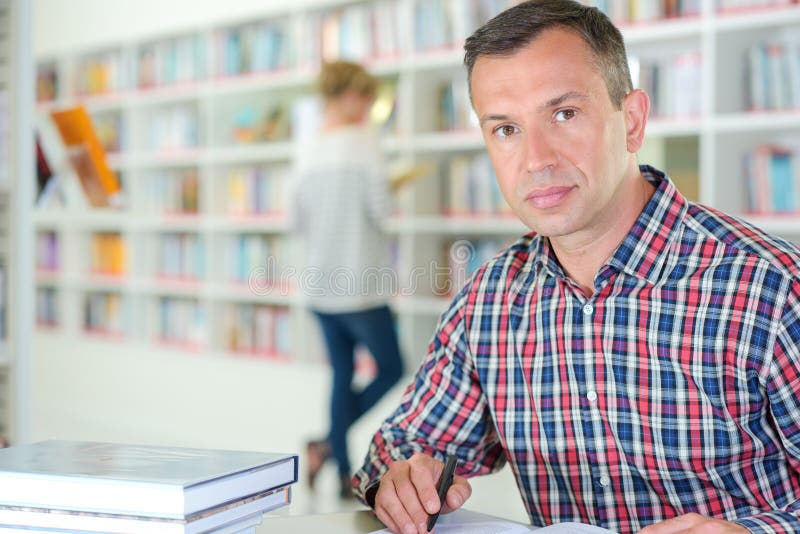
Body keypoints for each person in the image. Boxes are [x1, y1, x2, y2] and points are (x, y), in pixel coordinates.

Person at [351, 1, 800, 533]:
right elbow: (400, 449)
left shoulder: (770, 289)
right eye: (506, 129)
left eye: (564, 114)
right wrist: (402, 479)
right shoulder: (491, 300)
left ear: (631, 122)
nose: (536, 158)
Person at [289, 60, 404, 499]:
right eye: (367, 99)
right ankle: (327, 445)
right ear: (352, 96)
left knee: (340, 373)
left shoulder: (307, 148)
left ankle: (336, 460)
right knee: (391, 367)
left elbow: (293, 221)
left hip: (319, 283)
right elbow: (382, 212)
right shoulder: (365, 143)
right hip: (360, 284)